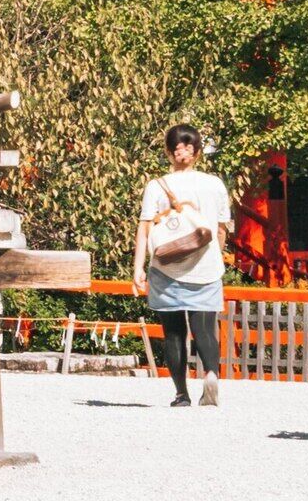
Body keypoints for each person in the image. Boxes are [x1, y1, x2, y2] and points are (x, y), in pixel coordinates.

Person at [134, 123, 232, 406]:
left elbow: (144, 229)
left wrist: (138, 268)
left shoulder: (157, 186)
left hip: (167, 267)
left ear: (168, 152)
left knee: (174, 333)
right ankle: (211, 373)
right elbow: (222, 228)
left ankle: (181, 395)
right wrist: (216, 255)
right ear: (198, 153)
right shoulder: (214, 184)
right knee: (204, 328)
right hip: (207, 267)